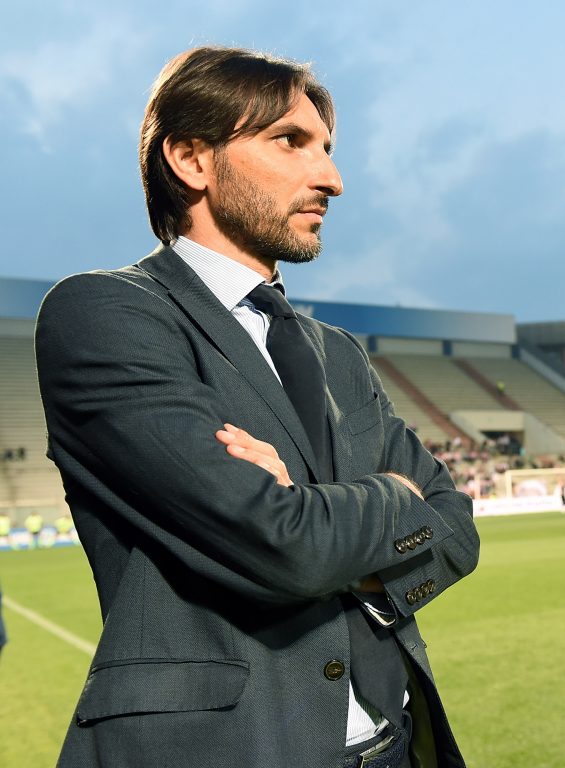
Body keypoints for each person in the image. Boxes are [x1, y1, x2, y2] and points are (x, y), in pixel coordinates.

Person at [35, 47, 480, 768]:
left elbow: (457, 528)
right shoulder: (105, 315)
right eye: (290, 142)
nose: (331, 178)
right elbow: (284, 547)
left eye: (328, 149)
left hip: (398, 747)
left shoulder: (336, 351)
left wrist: (319, 512)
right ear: (190, 158)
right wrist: (394, 500)